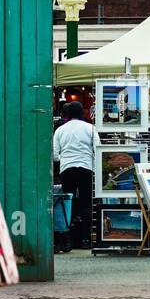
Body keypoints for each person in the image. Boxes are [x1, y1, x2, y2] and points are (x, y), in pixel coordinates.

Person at [52, 100, 97, 252]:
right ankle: (86, 239)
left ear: (67, 114)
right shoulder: (91, 128)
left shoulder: (60, 130)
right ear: (82, 113)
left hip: (67, 169)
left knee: (68, 204)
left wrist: (66, 157)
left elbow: (55, 156)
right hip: (86, 168)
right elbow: (98, 149)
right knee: (86, 203)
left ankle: (67, 239)